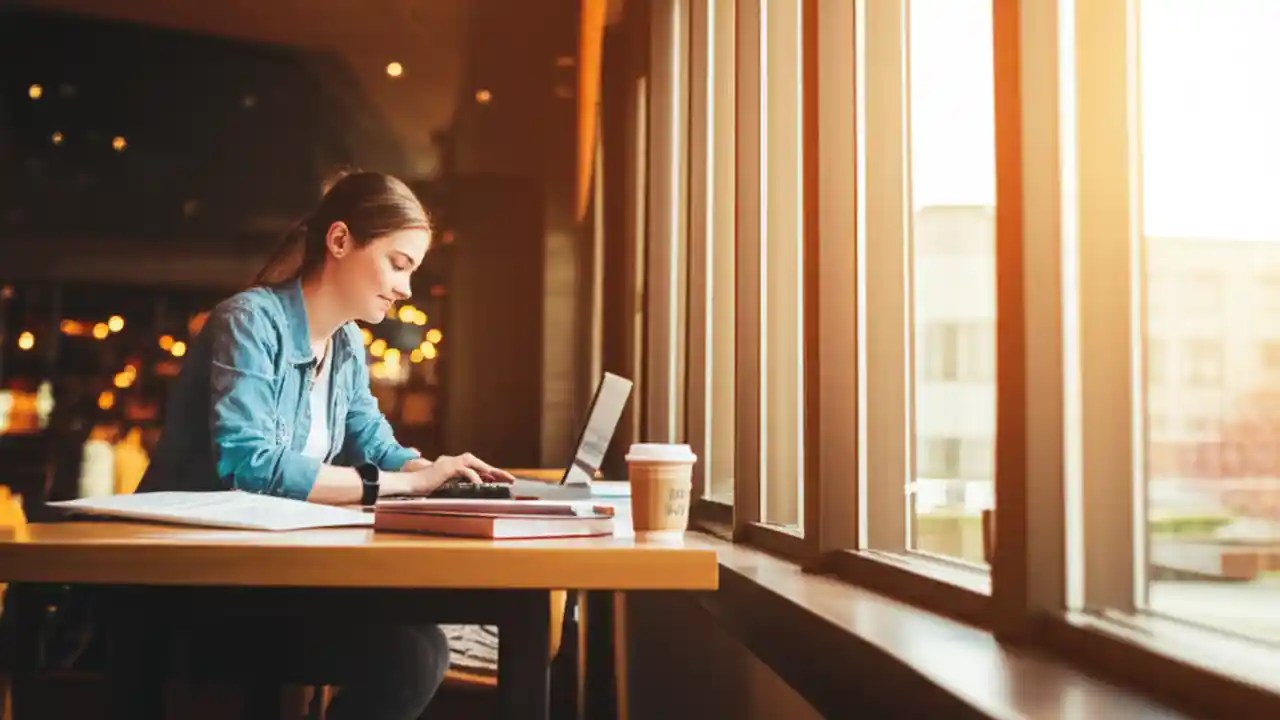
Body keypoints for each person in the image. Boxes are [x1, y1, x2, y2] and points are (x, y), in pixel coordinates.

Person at [137, 170, 514, 719]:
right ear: (339, 241)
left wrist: (441, 473)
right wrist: (405, 483)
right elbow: (251, 465)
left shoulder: (345, 344)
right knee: (411, 653)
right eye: (398, 264)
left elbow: (378, 446)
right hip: (197, 588)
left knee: (417, 645)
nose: (406, 287)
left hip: (270, 576)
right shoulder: (248, 322)